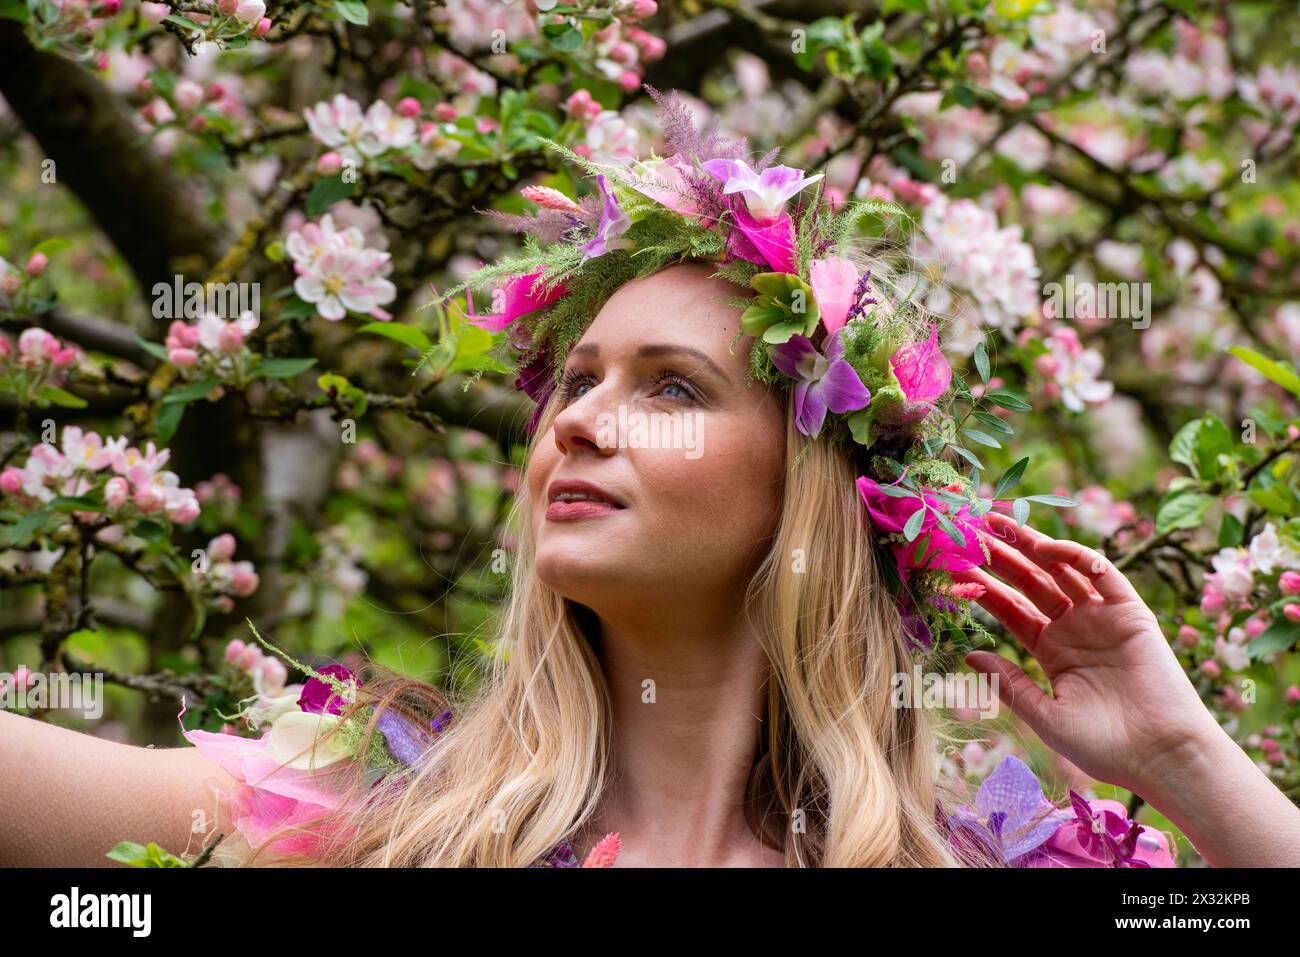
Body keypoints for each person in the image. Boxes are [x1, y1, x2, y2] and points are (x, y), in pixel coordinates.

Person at [4, 90, 1300, 868]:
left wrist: (1185, 756)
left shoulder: (969, 857)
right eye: (574, 382)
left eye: (670, 386)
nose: (578, 423)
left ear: (809, 490)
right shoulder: (392, 821)